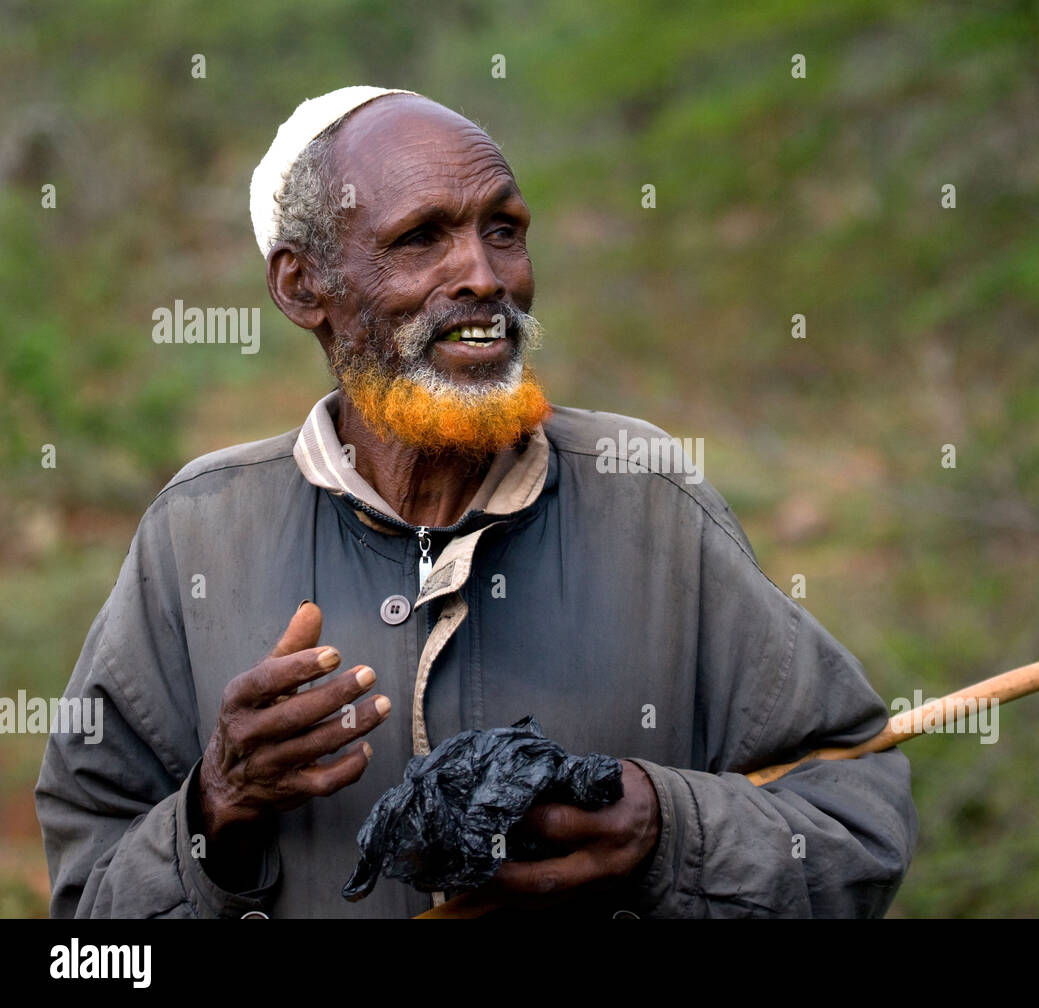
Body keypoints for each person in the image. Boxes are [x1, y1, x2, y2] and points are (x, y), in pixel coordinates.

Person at [36, 86, 918, 918]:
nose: (485, 277)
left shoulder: (645, 496)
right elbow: (90, 927)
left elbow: (853, 819)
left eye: (505, 231)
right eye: (422, 237)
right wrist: (215, 806)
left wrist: (670, 834)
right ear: (303, 287)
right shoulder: (197, 535)